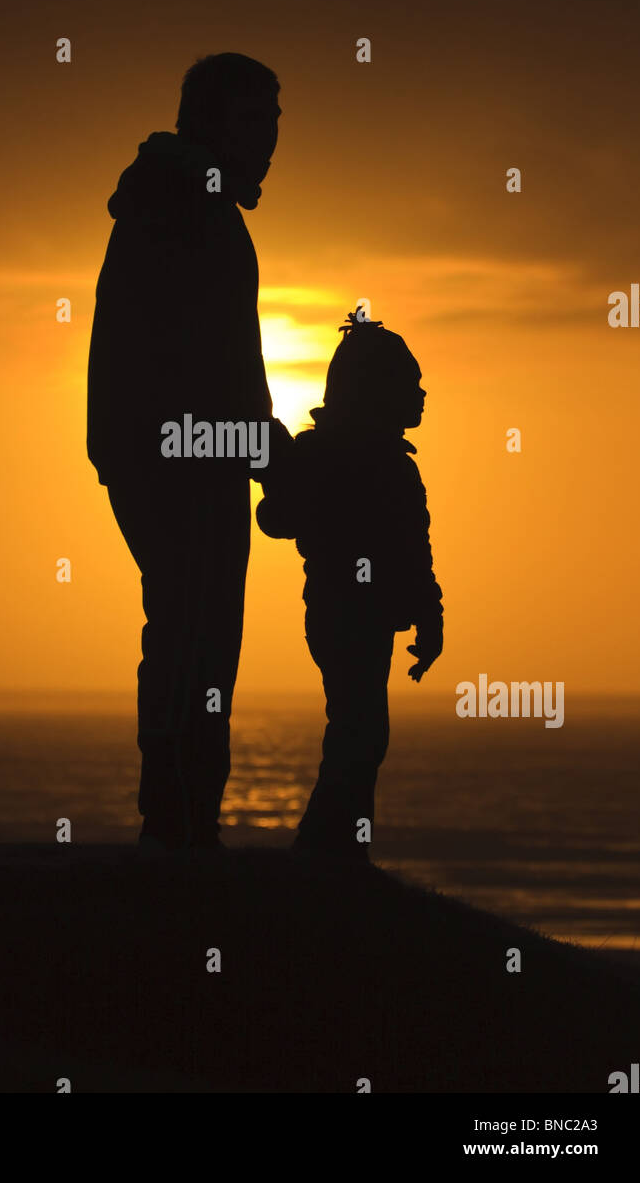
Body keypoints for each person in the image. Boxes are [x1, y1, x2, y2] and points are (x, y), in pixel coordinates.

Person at [87, 53, 290, 852]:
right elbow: (213, 364)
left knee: (182, 626)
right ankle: (180, 826)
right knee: (197, 634)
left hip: (164, 452)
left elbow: (214, 364)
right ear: (208, 122)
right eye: (253, 120)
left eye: (275, 121)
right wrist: (269, 453)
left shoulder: (172, 201)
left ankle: (177, 821)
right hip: (185, 458)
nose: (270, 139)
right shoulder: (192, 209)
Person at [256, 309, 444, 864]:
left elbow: (413, 552)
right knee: (360, 729)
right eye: (409, 384)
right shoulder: (351, 460)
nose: (421, 394)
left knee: (360, 729)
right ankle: (329, 848)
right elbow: (279, 518)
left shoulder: (368, 461)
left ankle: (336, 848)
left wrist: (428, 616)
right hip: (342, 612)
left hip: (355, 614)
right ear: (375, 393)